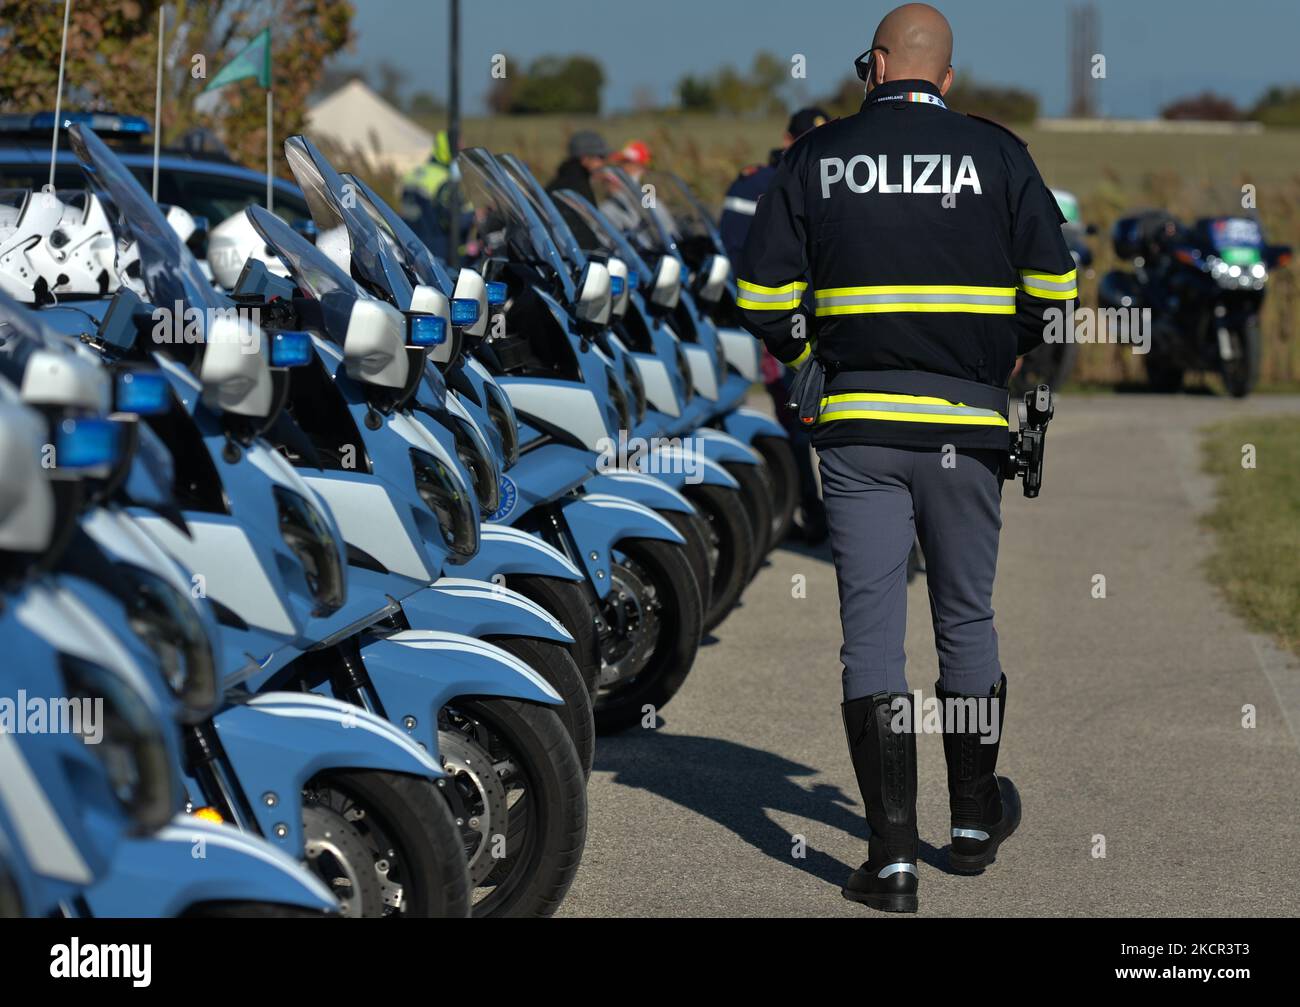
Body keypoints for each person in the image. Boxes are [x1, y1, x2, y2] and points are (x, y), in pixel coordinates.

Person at [735, 3, 1076, 913]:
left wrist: (805, 366)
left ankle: (889, 859)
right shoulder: (998, 153)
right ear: (947, 77)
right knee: (966, 618)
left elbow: (760, 291)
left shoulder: (815, 156)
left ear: (877, 64)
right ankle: (970, 823)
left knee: (871, 636)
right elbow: (1055, 290)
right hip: (968, 430)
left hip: (857, 429)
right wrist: (1015, 367)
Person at [721, 107, 830, 543]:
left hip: (829, 325)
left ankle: (818, 509)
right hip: (779, 326)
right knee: (794, 418)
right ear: (787, 139)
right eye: (803, 138)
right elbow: (732, 254)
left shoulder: (833, 177)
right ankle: (807, 508)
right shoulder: (756, 184)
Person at [400, 130, 456, 259]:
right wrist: (474, 216)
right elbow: (452, 217)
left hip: (408, 241)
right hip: (435, 247)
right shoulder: (444, 178)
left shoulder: (416, 172)